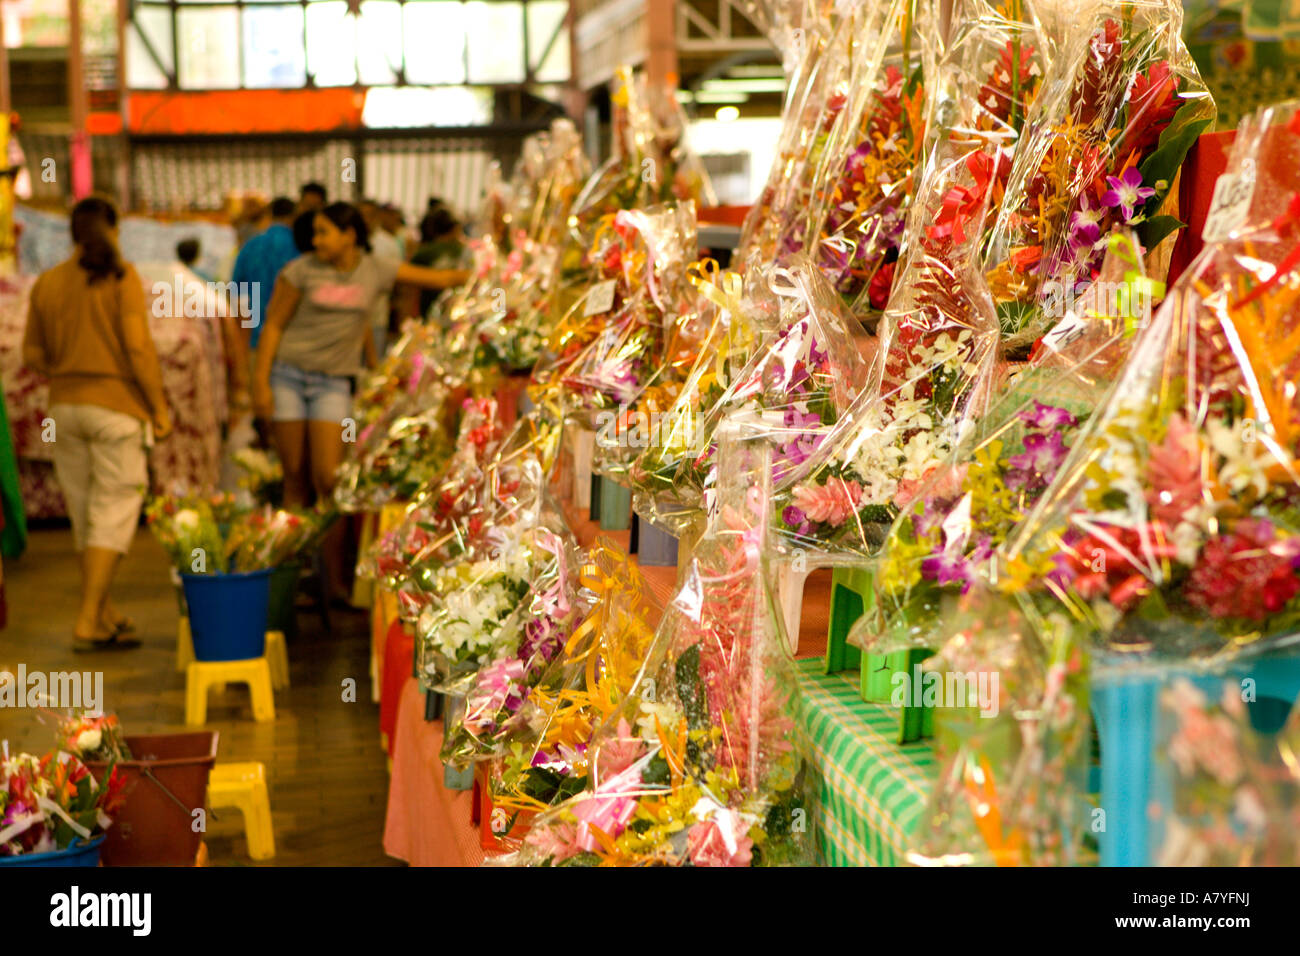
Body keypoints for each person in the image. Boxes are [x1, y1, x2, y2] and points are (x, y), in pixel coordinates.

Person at [250, 201, 467, 600]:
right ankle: (283, 577)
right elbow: (274, 326)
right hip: (288, 376)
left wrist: (485, 271)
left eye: (323, 232)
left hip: (333, 382)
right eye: (313, 233)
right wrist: (260, 385)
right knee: (295, 477)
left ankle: (333, 582)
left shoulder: (376, 268)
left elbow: (438, 278)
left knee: (330, 479)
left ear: (350, 235)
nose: (315, 241)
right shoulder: (299, 272)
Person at [22, 196, 172, 651]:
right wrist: (159, 408)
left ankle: (103, 611)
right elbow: (139, 350)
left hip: (64, 408)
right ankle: (88, 620)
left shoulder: (47, 283)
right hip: (116, 406)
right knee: (114, 511)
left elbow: (32, 354)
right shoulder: (120, 280)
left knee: (87, 517)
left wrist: (68, 366)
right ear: (114, 230)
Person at [230, 197, 298, 353]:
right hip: (291, 341)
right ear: (294, 216)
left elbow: (236, 293)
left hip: (255, 337)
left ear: (269, 215)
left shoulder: (251, 246)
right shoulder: (299, 246)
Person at [359, 199, 402, 357]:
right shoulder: (349, 244)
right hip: (351, 322)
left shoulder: (389, 244)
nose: (365, 220)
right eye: (361, 215)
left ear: (377, 217)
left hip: (376, 318)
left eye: (369, 215)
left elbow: (399, 283)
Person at [410, 207, 468, 318]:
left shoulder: (424, 252)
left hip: (427, 310)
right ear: (454, 228)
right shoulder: (464, 251)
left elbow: (411, 291)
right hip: (457, 311)